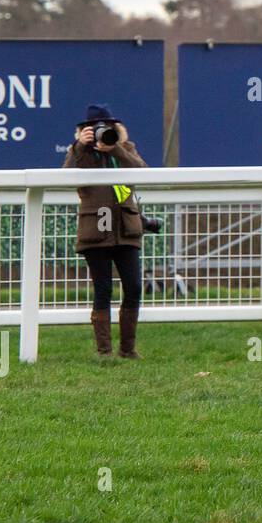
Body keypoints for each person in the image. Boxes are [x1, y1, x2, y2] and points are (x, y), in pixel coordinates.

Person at [62, 103, 148, 357]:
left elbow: (142, 173)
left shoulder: (125, 149)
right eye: (95, 128)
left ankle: (128, 350)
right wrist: (80, 146)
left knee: (133, 288)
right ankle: (104, 352)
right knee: (103, 290)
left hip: (126, 228)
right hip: (95, 229)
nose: (102, 132)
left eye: (107, 127)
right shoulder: (80, 153)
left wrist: (118, 146)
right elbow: (65, 177)